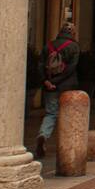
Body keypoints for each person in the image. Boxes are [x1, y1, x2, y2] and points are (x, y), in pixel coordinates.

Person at [35, 22, 80, 159]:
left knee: (51, 113)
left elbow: (40, 65)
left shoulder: (48, 45)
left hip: (50, 86)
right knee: (68, 114)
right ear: (73, 33)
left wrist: (47, 81)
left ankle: (43, 134)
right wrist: (57, 81)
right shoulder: (74, 47)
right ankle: (67, 144)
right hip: (67, 86)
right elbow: (72, 68)